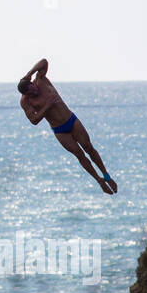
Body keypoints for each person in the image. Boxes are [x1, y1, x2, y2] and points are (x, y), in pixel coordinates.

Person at [18, 58, 117, 194]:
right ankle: (99, 180)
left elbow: (44, 62)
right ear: (25, 94)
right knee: (79, 154)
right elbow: (34, 120)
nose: (34, 91)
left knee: (89, 147)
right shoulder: (25, 102)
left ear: (32, 82)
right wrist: (47, 106)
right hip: (59, 130)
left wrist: (29, 72)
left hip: (71, 120)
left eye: (32, 88)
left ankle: (106, 175)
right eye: (30, 92)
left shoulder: (41, 80)